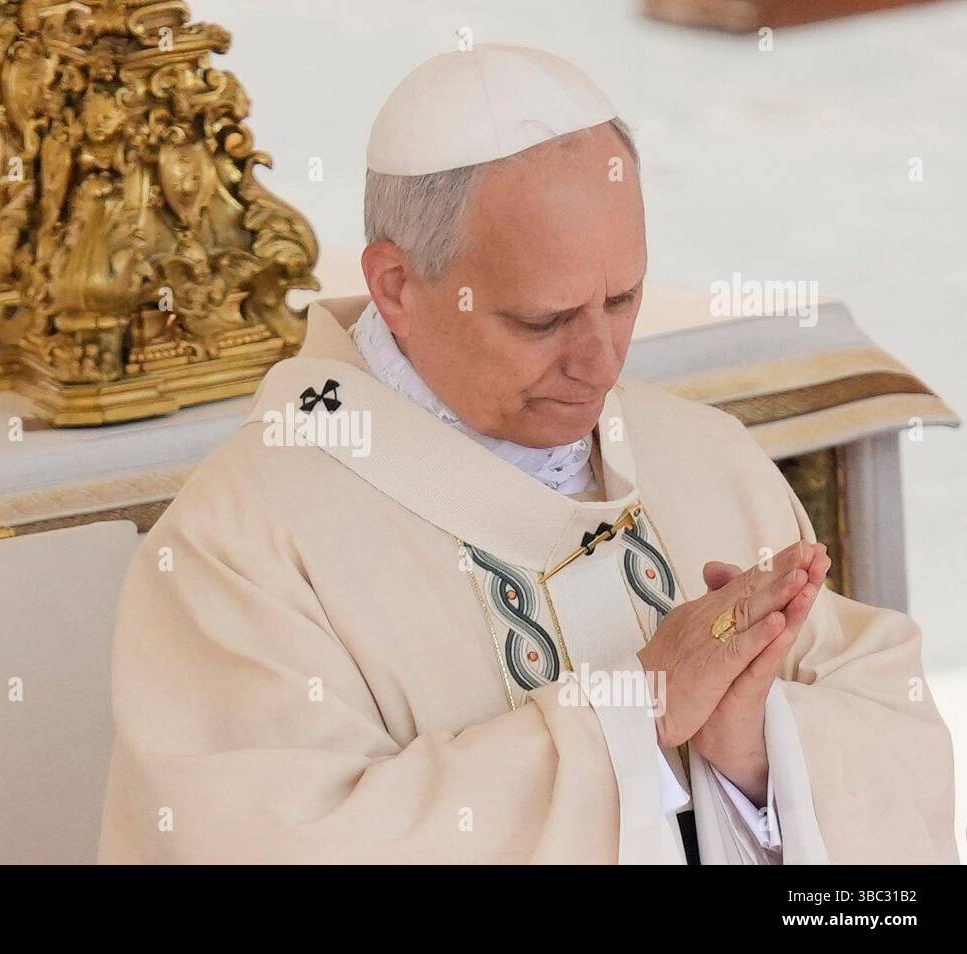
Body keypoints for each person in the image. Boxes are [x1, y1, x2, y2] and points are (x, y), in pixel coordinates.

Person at [98, 45, 957, 863]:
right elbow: (276, 845)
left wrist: (763, 752)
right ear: (396, 285)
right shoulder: (240, 549)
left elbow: (895, 724)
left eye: (622, 299)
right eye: (542, 321)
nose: (602, 362)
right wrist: (635, 721)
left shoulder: (705, 457)